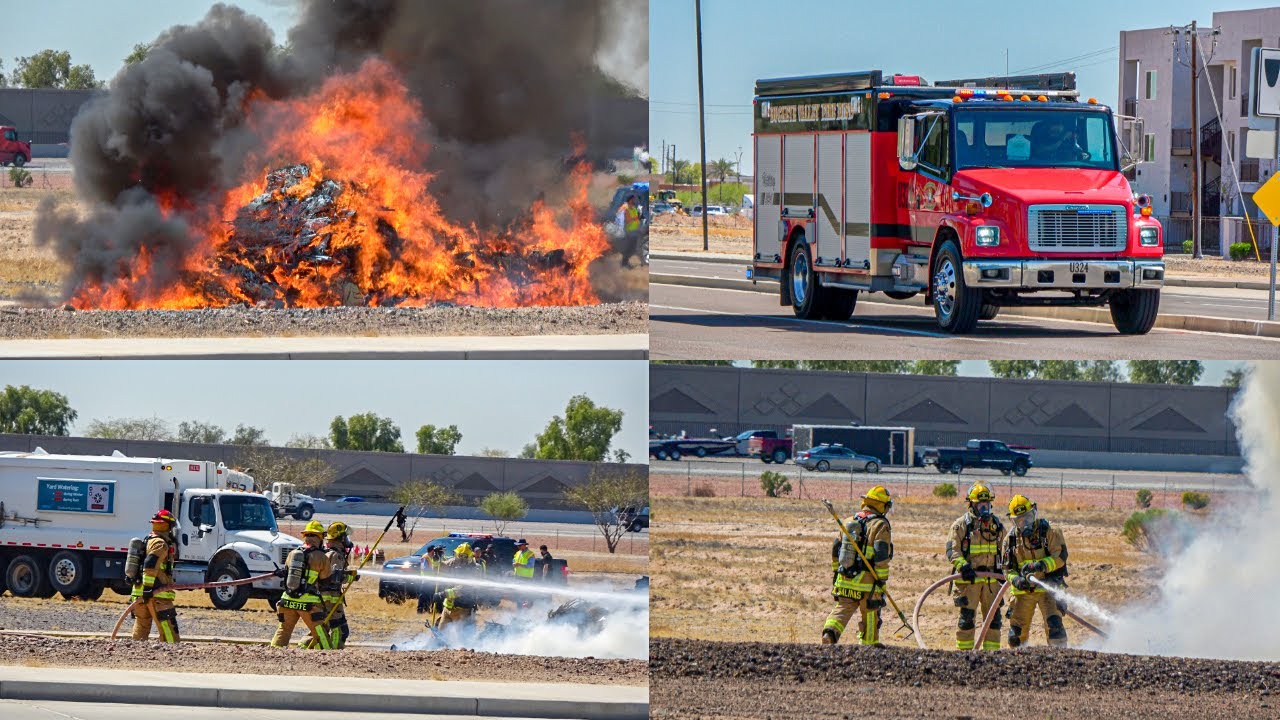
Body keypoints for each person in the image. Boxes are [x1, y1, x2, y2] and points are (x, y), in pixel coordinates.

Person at [822, 486, 893, 647]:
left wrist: (836, 573)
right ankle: (868, 646)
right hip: (867, 584)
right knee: (870, 613)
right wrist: (881, 581)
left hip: (844, 579)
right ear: (882, 505)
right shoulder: (880, 525)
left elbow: (835, 549)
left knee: (842, 609)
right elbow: (881, 555)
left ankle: (829, 633)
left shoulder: (848, 521)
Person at [1003, 495, 1070, 648]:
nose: (1024, 523)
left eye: (1027, 517)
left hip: (1049, 588)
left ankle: (1062, 665)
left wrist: (1041, 565)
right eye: (1019, 520)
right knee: (1016, 635)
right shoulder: (1010, 540)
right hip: (1023, 593)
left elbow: (1060, 557)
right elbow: (1007, 569)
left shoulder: (1050, 531)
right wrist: (1016, 580)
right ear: (1013, 521)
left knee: (1055, 628)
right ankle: (1015, 666)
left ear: (1034, 513)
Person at [946, 483, 1006, 650]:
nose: (984, 508)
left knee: (993, 620)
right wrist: (963, 566)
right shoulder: (961, 526)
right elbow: (952, 551)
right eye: (981, 505)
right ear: (972, 505)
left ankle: (991, 656)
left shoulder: (997, 526)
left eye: (987, 504)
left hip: (992, 582)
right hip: (969, 581)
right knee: (967, 619)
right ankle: (964, 654)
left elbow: (1006, 550)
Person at [271, 520, 334, 649]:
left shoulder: (293, 553)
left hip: (287, 601)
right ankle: (329, 659)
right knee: (320, 633)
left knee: (283, 630)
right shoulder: (321, 557)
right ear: (320, 538)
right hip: (309, 605)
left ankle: (273, 655)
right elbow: (325, 580)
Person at [131, 509, 180, 642]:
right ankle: (172, 653)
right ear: (166, 526)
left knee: (141, 627)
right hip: (157, 595)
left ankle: (137, 653)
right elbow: (150, 565)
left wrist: (145, 591)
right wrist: (148, 589)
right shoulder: (160, 544)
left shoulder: (149, 540)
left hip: (140, 593)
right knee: (169, 631)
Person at [316, 521, 356, 649]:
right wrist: (352, 576)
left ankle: (310, 649)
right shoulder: (336, 556)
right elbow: (335, 577)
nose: (347, 540)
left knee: (322, 629)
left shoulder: (326, 553)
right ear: (341, 538)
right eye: (346, 537)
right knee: (340, 630)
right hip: (331, 599)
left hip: (323, 598)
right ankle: (334, 652)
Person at [437, 543, 485, 631]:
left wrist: (443, 594)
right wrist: (437, 558)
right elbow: (440, 568)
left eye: (464, 557)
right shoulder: (454, 562)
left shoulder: (475, 569)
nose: (461, 559)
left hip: (463, 610)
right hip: (448, 608)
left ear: (469, 557)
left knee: (462, 639)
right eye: (459, 556)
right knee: (440, 635)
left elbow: (464, 589)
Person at [616, 194, 645, 268]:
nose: (634, 201)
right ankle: (624, 263)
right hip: (629, 231)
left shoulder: (634, 208)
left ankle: (626, 262)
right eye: (633, 199)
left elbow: (637, 217)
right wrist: (636, 218)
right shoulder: (626, 208)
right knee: (629, 248)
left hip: (635, 231)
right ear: (629, 200)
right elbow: (628, 220)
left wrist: (639, 217)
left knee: (634, 248)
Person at [416, 544, 446, 616]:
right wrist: (435, 571)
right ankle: (422, 611)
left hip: (437, 582)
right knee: (424, 597)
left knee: (437, 597)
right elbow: (424, 569)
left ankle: (437, 611)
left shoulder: (439, 557)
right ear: (433, 551)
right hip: (427, 581)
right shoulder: (425, 557)